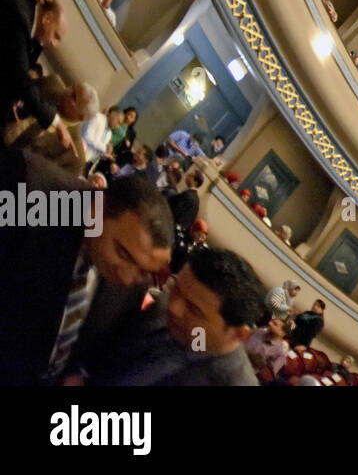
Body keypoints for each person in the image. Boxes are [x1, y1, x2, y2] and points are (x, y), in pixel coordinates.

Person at [0, 157, 174, 385]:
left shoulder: (136, 283)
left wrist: (80, 372)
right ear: (98, 209)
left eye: (144, 270)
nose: (127, 277)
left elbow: (97, 344)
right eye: (123, 254)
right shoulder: (29, 193)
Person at [78, 247, 265, 385]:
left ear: (238, 334)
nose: (174, 307)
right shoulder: (160, 310)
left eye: (193, 309)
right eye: (176, 288)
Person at [0, 0, 72, 151]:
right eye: (56, 36)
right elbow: (20, 77)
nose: (54, 44)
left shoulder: (30, 23)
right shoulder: (20, 19)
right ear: (46, 19)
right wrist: (56, 122)